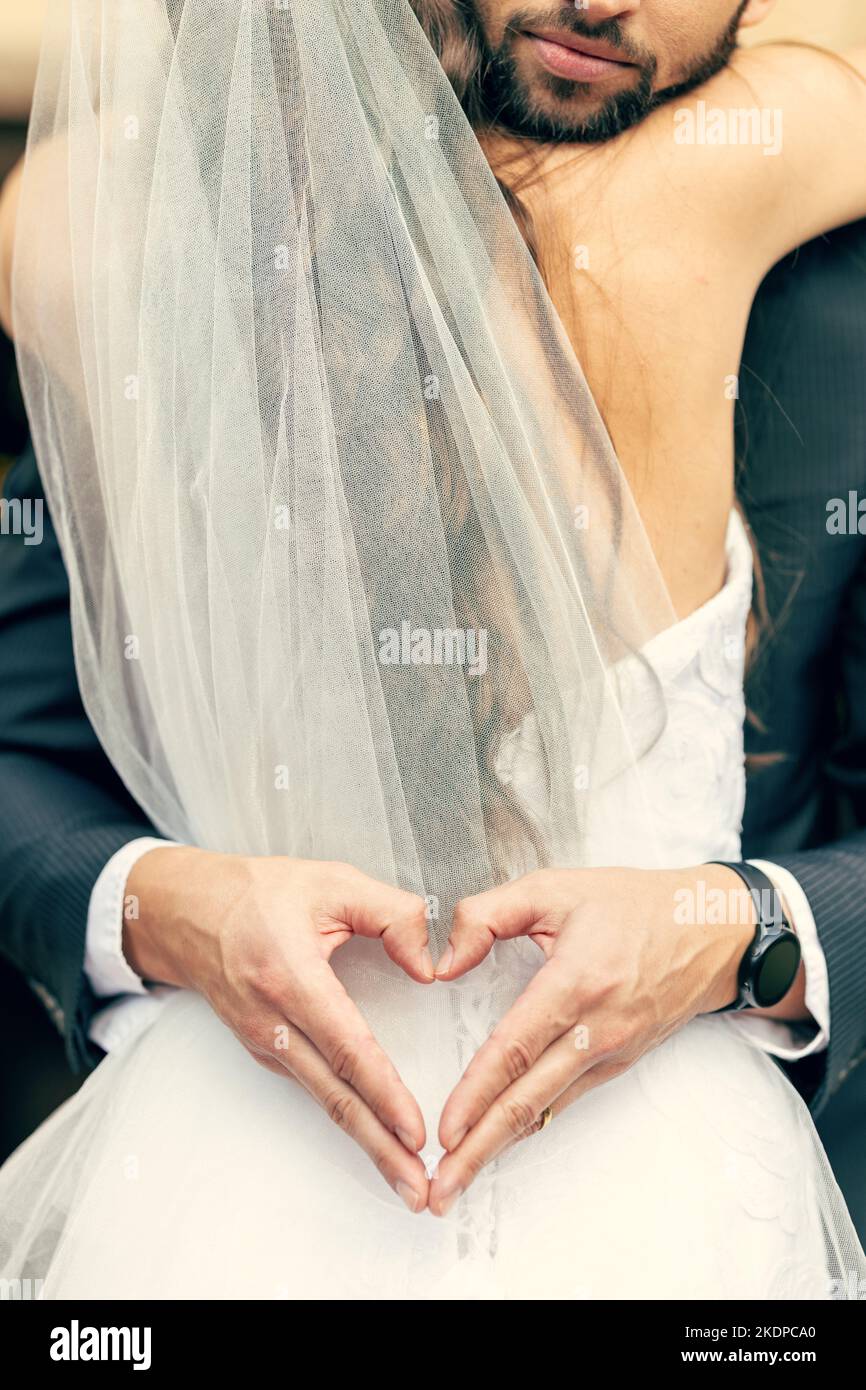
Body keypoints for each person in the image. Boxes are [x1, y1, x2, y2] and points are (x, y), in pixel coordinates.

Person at [0, 0, 864, 1298]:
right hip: (327, 1171)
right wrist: (164, 906)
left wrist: (741, 928)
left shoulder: (81, 221)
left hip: (250, 1184)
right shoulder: (731, 177)